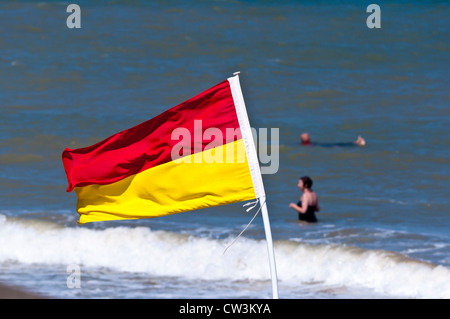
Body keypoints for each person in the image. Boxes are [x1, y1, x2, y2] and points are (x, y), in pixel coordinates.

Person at [300, 132, 366, 147]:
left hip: (319, 145)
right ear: (309, 138)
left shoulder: (302, 144)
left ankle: (356, 142)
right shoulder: (309, 145)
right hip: (323, 146)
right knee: (339, 145)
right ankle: (357, 142)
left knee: (339, 144)